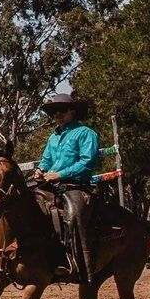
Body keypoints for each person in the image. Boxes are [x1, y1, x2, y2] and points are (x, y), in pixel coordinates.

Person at [31, 90, 103, 279]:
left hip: (76, 186)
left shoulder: (86, 133)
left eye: (61, 110)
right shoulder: (53, 137)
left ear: (72, 111)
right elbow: (46, 160)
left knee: (74, 213)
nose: (56, 115)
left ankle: (80, 264)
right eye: (53, 112)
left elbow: (87, 162)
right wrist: (40, 170)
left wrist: (60, 174)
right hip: (50, 184)